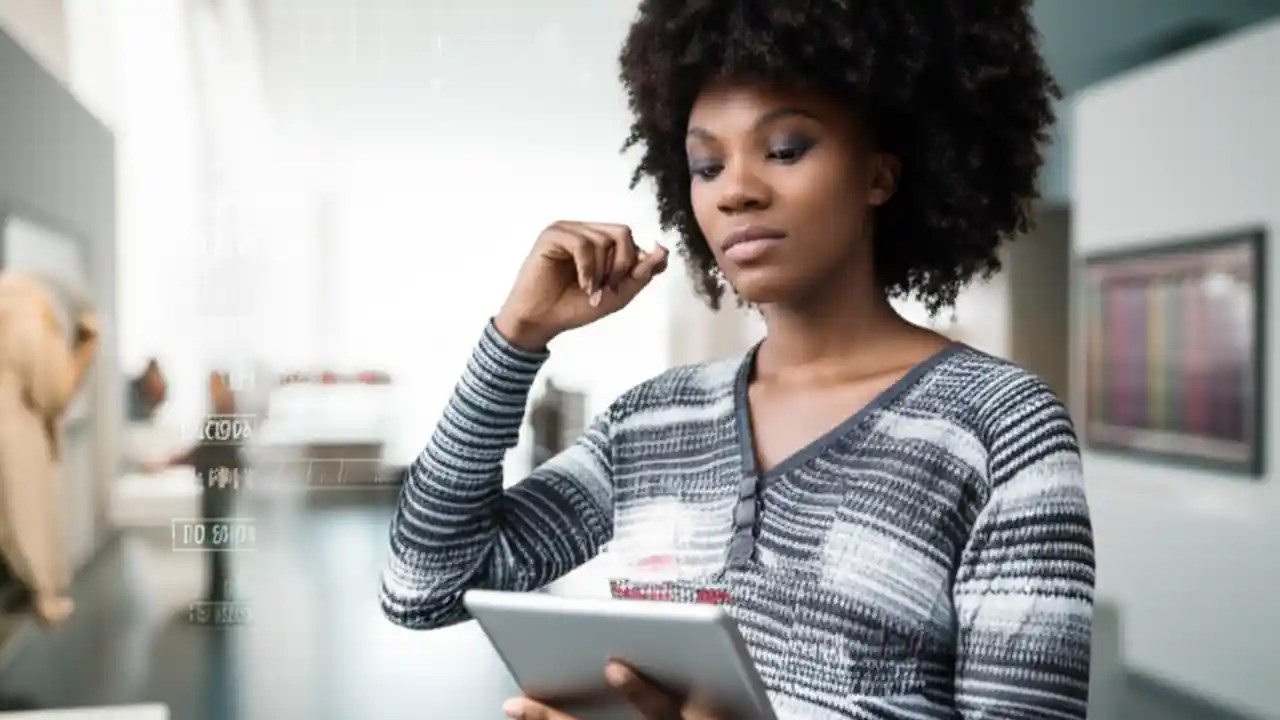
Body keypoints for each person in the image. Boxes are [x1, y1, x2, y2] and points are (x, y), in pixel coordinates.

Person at [381, 1, 1094, 718]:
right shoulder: (650, 422)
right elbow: (422, 586)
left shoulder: (1001, 426)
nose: (736, 190)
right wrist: (515, 339)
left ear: (880, 175)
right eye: (706, 164)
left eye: (785, 149)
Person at [0, 272, 100, 626]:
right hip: (12, 457)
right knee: (20, 555)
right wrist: (87, 345)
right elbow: (55, 391)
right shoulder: (28, 312)